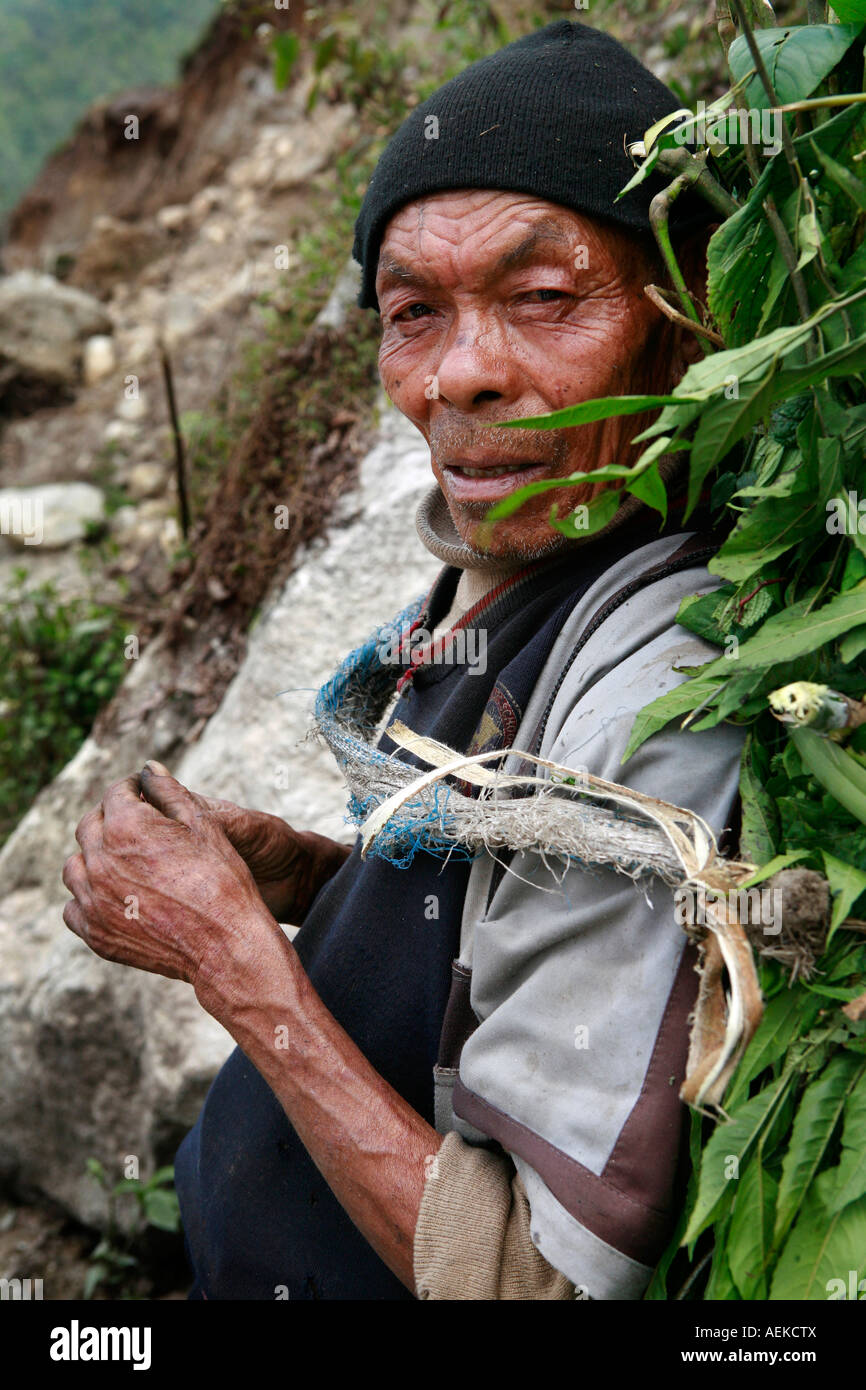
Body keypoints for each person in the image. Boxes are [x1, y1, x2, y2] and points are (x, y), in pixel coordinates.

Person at [61, 20, 745, 1300]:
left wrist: (234, 965)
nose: (461, 378)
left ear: (683, 313)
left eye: (543, 299)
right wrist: (309, 881)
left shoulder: (659, 683)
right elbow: (507, 932)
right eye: (410, 314)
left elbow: (534, 1281)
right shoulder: (538, 554)